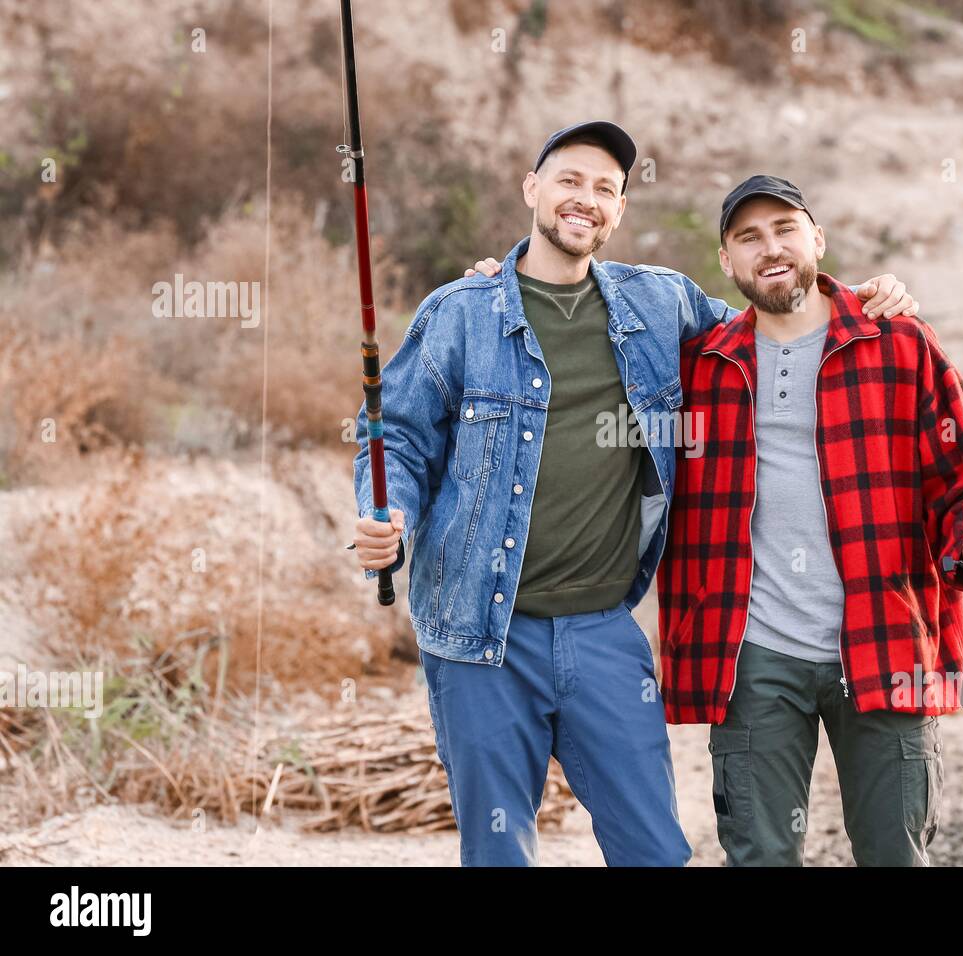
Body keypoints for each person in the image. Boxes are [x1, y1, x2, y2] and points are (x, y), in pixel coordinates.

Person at [352, 122, 922, 866]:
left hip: (604, 632)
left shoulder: (662, 305)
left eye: (605, 189)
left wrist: (867, 297)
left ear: (618, 211)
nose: (584, 199)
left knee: (655, 850)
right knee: (498, 852)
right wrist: (385, 513)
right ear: (532, 190)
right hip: (479, 633)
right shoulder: (461, 312)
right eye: (568, 180)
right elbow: (397, 434)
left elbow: (774, 326)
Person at [657, 175, 963, 866]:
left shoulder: (903, 343)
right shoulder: (700, 365)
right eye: (748, 237)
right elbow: (590, 319)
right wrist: (501, 281)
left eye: (786, 229)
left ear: (816, 240)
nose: (771, 248)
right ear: (727, 262)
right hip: (752, 653)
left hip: (885, 640)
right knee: (760, 854)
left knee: (895, 852)